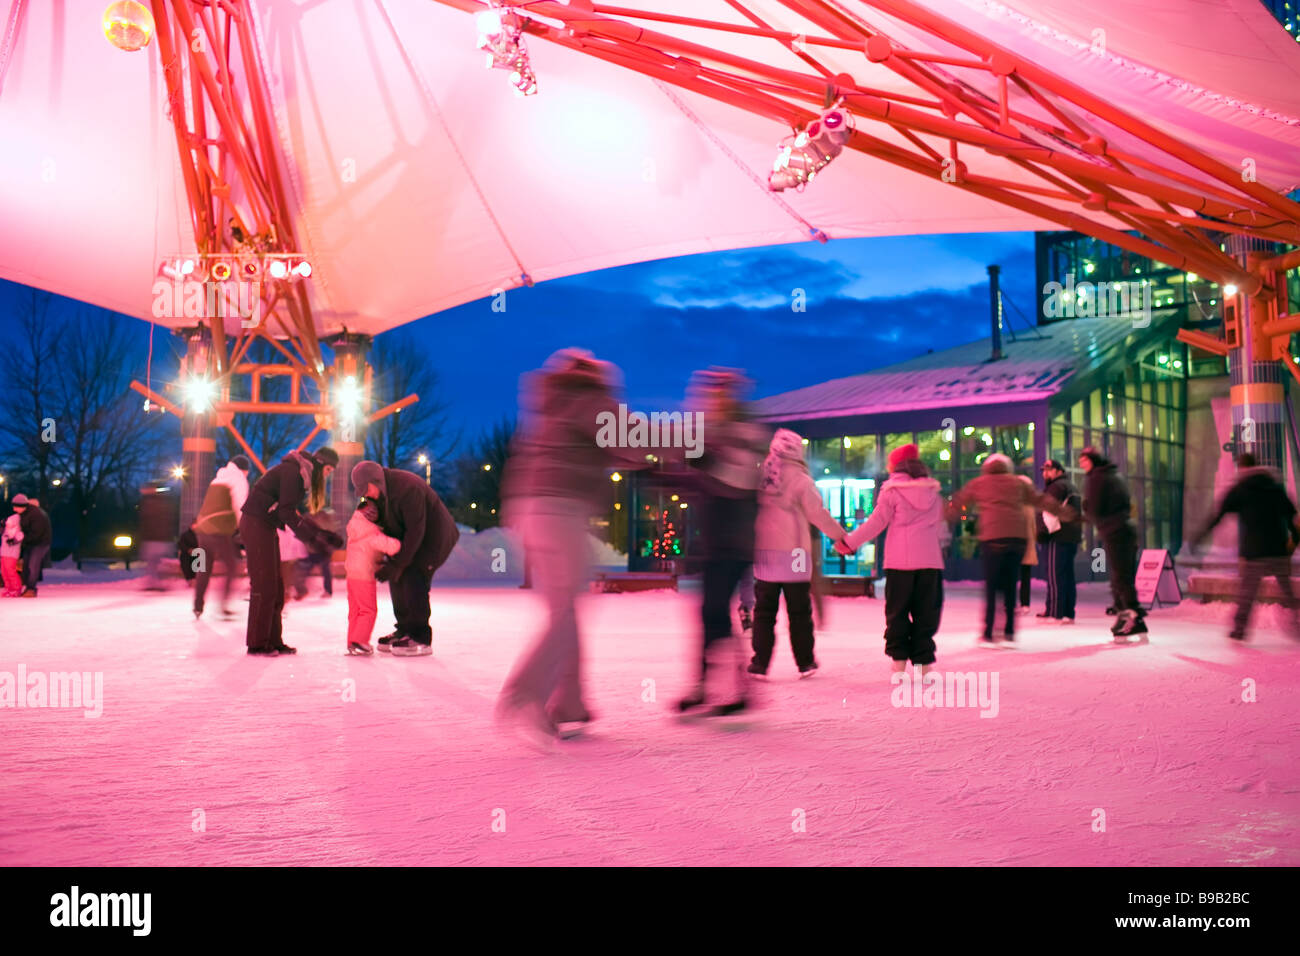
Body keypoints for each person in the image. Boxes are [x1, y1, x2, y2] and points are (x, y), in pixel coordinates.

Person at [494, 349, 643, 741]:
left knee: (566, 607)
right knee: (565, 612)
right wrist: (695, 448)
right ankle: (526, 690)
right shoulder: (589, 400)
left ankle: (570, 700)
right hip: (561, 512)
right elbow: (634, 441)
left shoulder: (550, 407)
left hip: (532, 512)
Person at [676, 367, 768, 716]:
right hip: (716, 539)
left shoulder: (744, 429)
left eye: (717, 394)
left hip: (735, 541)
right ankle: (709, 687)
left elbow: (741, 479)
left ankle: (731, 689)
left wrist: (705, 461)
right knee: (709, 614)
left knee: (713, 611)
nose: (711, 401)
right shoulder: (712, 431)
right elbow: (702, 478)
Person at [836, 443, 947, 677]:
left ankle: (899, 660)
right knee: (926, 611)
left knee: (897, 610)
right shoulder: (933, 493)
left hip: (900, 563)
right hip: (930, 562)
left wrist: (849, 542)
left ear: (897, 466)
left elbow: (876, 523)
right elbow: (942, 528)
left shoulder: (892, 491)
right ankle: (924, 662)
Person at [748, 428, 847, 679]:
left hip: (765, 552)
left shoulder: (760, 476)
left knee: (763, 612)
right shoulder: (801, 479)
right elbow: (816, 513)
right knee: (800, 611)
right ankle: (805, 662)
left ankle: (759, 663)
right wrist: (840, 535)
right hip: (796, 553)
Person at [947, 454, 1070, 646]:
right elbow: (1041, 500)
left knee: (992, 588)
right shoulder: (1018, 483)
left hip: (993, 539)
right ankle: (1009, 633)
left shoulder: (980, 483)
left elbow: (960, 501)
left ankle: (988, 633)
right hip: (1016, 540)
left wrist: (944, 514)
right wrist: (1065, 512)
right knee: (1011, 587)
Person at [349, 458, 459, 658]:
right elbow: (388, 522)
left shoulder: (408, 488)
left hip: (433, 538)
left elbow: (416, 531)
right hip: (408, 537)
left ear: (376, 481)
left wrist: (398, 563)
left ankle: (420, 636)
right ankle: (404, 628)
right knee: (397, 575)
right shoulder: (380, 494)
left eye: (366, 489)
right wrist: (372, 514)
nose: (365, 495)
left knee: (414, 574)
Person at [240, 446, 343, 656]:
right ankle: (257, 643)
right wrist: (313, 538)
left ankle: (274, 640)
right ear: (321, 463)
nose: (327, 477)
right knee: (264, 583)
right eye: (328, 471)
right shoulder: (292, 472)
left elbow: (291, 512)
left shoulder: (299, 474)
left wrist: (320, 533)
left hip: (265, 526)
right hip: (256, 524)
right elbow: (286, 512)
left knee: (276, 585)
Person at [1193, 452, 1300, 640]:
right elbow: (1291, 515)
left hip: (1255, 552)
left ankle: (1240, 629)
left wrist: (1199, 536)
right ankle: (1297, 625)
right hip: (1278, 550)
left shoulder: (1241, 489)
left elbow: (1219, 515)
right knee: (1288, 592)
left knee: (1247, 592)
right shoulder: (1275, 487)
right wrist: (1295, 539)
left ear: (1242, 468)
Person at [1079, 447, 1145, 639]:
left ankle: (1134, 617)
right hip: (1125, 529)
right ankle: (1125, 616)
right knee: (1121, 577)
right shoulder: (1114, 475)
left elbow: (1095, 509)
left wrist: (1085, 508)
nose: (1082, 465)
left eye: (1084, 461)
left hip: (1114, 531)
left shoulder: (1096, 478)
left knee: (1120, 578)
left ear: (1093, 461)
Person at [190, 455, 251, 619]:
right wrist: (243, 528)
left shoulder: (216, 479)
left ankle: (197, 606)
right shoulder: (238, 479)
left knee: (203, 568)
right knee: (232, 566)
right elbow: (240, 505)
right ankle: (223, 606)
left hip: (202, 531)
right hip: (218, 532)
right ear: (244, 470)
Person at [344, 495, 402, 655]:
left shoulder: (354, 530)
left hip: (352, 576)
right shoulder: (371, 533)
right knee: (368, 610)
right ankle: (360, 641)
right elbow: (392, 546)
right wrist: (400, 541)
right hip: (364, 576)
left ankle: (352, 641)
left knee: (355, 610)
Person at [1037, 459, 1082, 623]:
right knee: (1067, 575)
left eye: (1048, 470)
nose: (1045, 473)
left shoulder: (1056, 487)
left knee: (1055, 575)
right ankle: (1068, 612)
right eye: (1043, 470)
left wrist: (1041, 533)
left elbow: (1048, 512)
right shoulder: (1071, 486)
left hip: (1057, 535)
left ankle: (1055, 612)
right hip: (1071, 536)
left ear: (1058, 471)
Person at [138, 484, 179, 591]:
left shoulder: (150, 502)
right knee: (157, 562)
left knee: (153, 562)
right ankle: (157, 583)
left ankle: (155, 583)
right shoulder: (164, 502)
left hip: (154, 538)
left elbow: (147, 521)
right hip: (161, 538)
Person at [12, 494, 50, 598]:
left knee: (33, 565)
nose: (14, 509)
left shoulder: (36, 515)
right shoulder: (24, 513)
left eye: (16, 507)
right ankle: (27, 587)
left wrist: (21, 540)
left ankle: (31, 588)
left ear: (22, 506)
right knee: (25, 566)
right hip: (30, 542)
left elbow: (37, 533)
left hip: (41, 543)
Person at [297, 507, 337, 598]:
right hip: (314, 550)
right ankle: (302, 590)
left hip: (323, 550)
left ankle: (327, 591)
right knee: (305, 569)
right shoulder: (308, 517)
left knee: (324, 570)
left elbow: (330, 532)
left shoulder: (324, 516)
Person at [1018, 473, 1038, 614]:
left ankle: (1021, 604)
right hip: (1026, 543)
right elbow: (1033, 527)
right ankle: (1025, 604)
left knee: (1014, 575)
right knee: (1025, 576)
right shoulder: (1030, 504)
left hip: (1017, 543)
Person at [2, 502, 24, 596]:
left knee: (10, 571)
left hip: (12, 553)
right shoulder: (6, 530)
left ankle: (16, 588)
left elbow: (21, 536)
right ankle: (9, 588)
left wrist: (13, 541)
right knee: (4, 571)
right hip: (4, 552)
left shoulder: (18, 529)